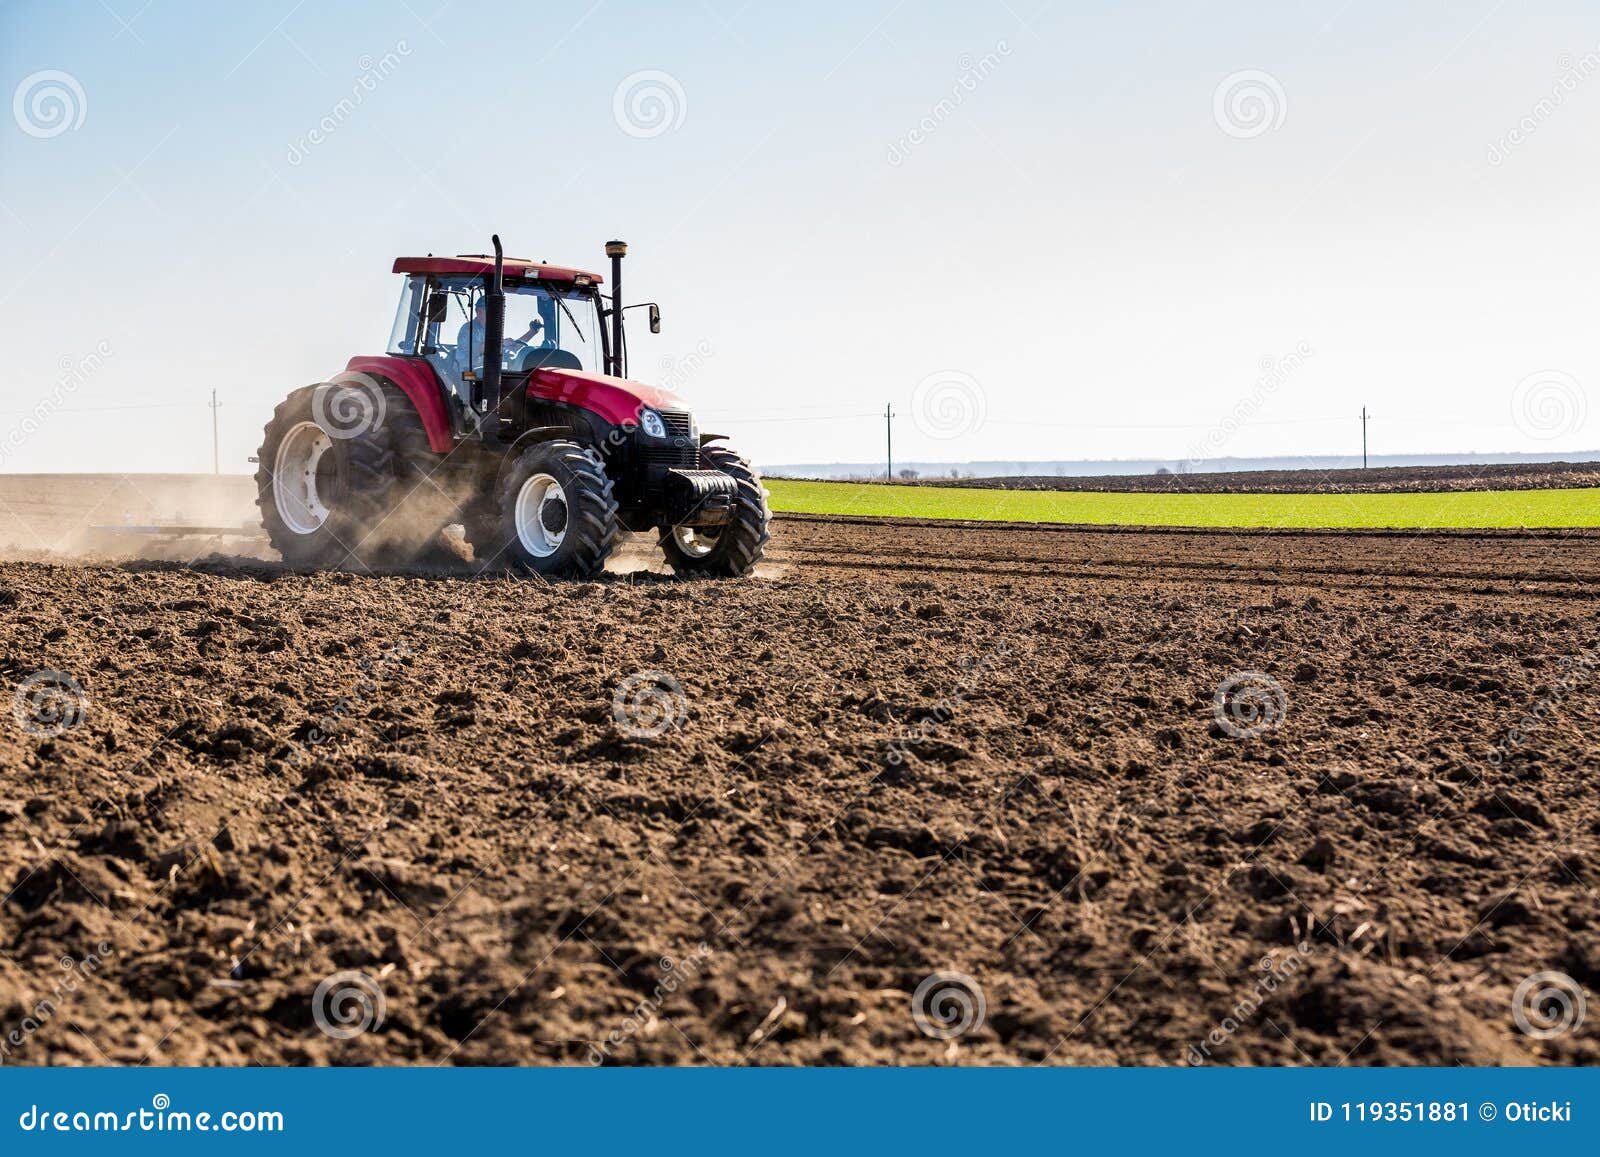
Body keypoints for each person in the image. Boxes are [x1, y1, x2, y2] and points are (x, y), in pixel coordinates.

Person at [452, 294, 543, 386]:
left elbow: (513, 346)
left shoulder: (490, 330)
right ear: (479, 312)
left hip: (485, 371)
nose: (495, 315)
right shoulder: (468, 329)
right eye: (491, 311)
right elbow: (479, 348)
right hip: (466, 374)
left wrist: (532, 332)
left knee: (513, 376)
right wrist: (502, 343)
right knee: (495, 377)